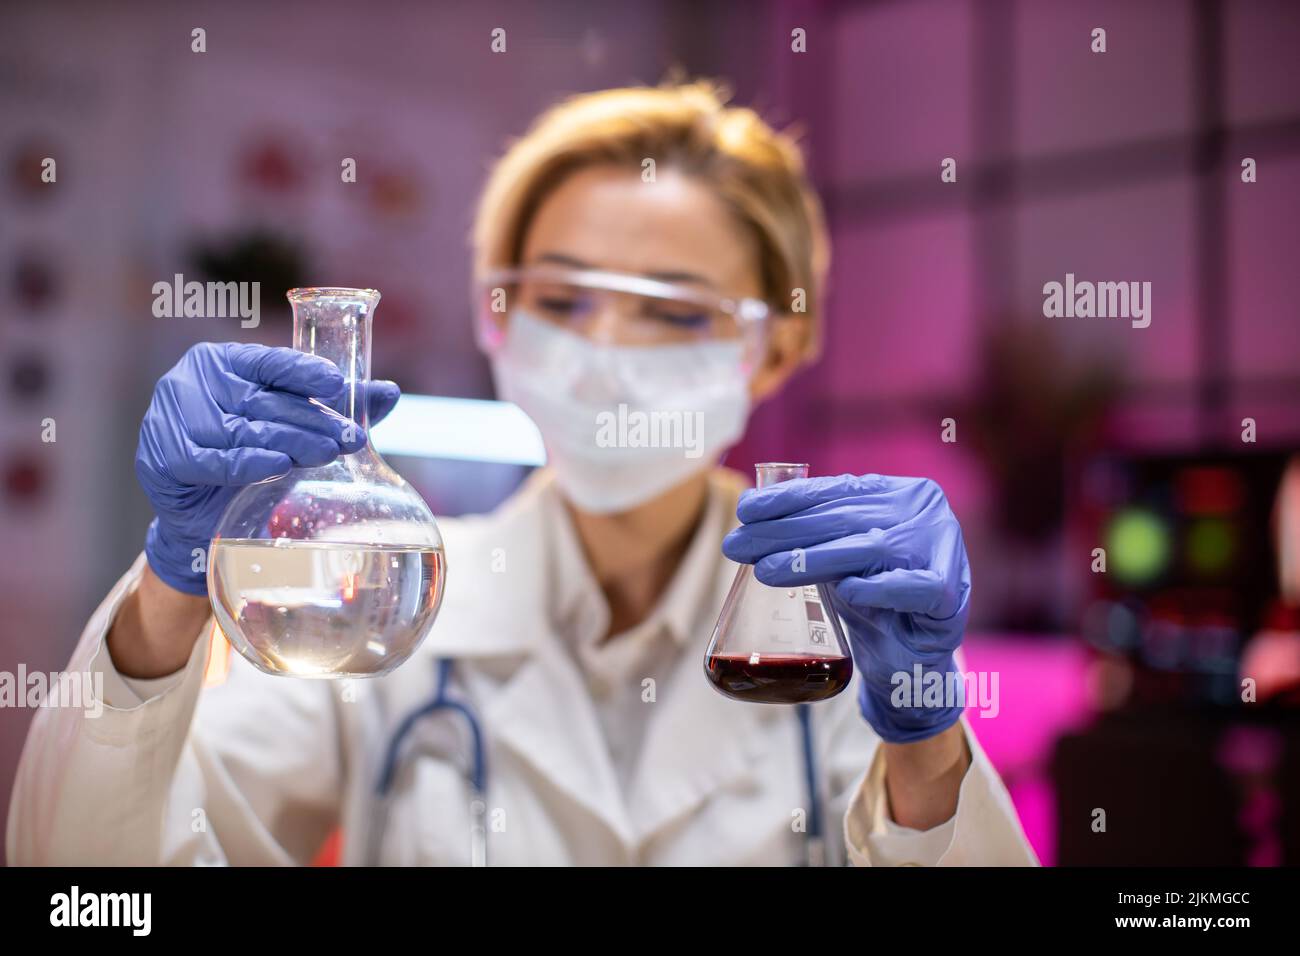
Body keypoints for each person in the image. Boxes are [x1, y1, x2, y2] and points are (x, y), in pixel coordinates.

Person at [7, 81, 1036, 866]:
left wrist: (926, 738)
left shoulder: (833, 628)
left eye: (674, 309)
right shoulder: (380, 606)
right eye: (560, 298)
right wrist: (170, 592)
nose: (603, 346)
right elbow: (94, 894)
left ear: (772, 349)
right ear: (496, 319)